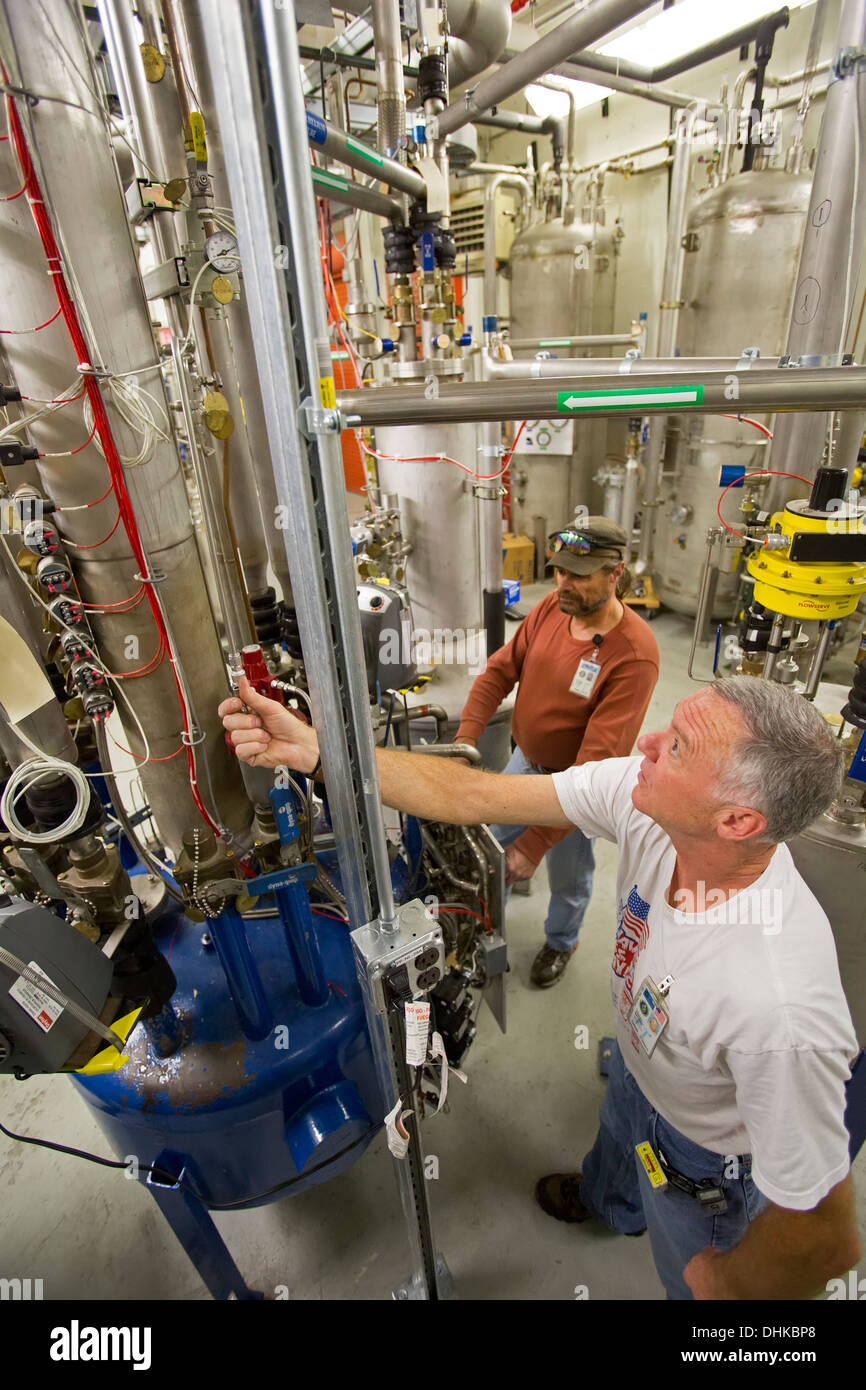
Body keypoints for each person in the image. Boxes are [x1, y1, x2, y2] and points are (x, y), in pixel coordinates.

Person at [219, 673, 861, 1300]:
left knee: (688, 1270)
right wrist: (321, 754)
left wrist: (726, 1282)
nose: (647, 740)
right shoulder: (648, 805)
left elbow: (822, 1236)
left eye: (678, 746)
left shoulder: (778, 1010)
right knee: (621, 1129)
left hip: (706, 1159)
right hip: (648, 1064)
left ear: (738, 821)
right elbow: (475, 795)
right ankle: (609, 1200)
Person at [456, 518, 659, 988]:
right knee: (491, 853)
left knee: (569, 878)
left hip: (576, 790)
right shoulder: (550, 608)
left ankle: (562, 941)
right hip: (524, 763)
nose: (564, 584)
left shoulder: (634, 654)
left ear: (615, 573)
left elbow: (595, 766)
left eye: (579, 575)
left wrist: (535, 843)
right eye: (560, 572)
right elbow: (498, 673)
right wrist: (467, 739)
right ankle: (486, 937)